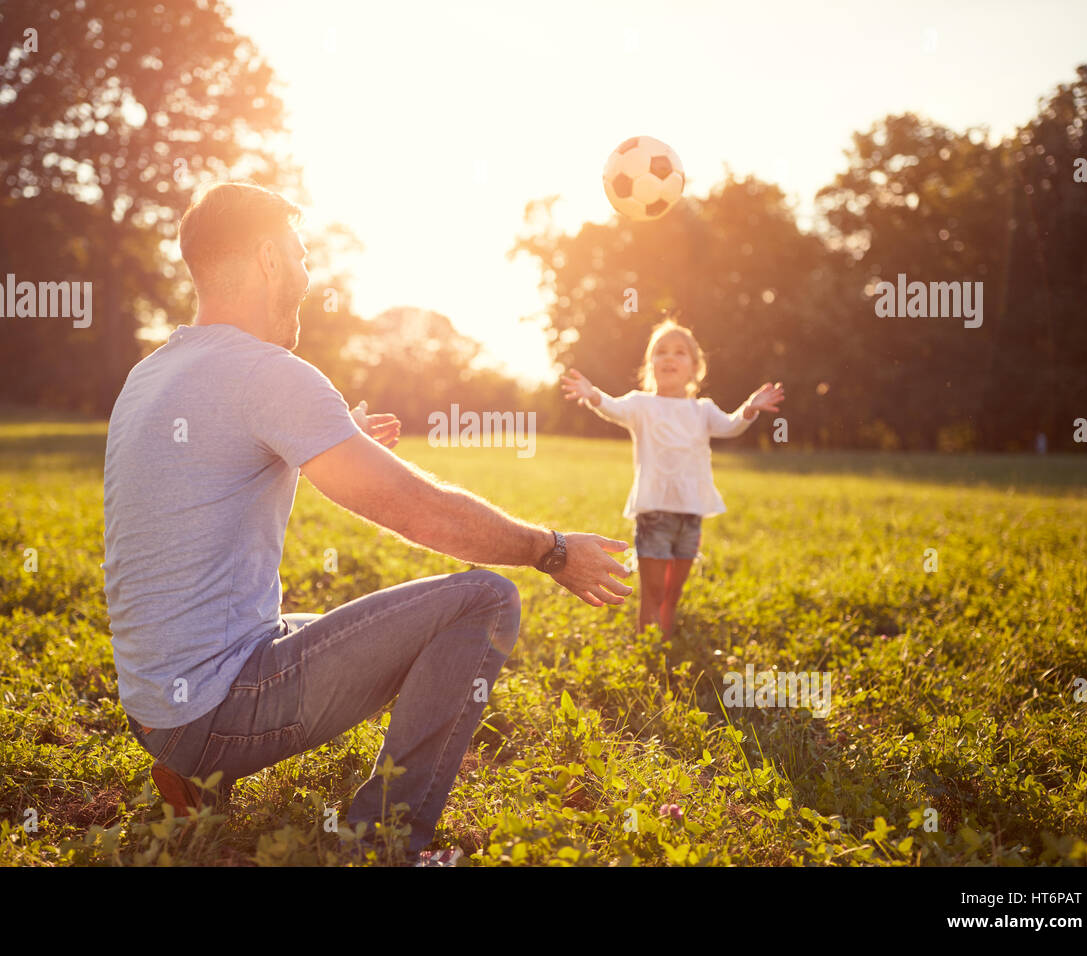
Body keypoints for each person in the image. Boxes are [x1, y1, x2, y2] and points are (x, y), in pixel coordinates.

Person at [101, 181, 632, 862]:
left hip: (153, 708)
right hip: (214, 707)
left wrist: (333, 438)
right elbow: (419, 510)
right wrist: (550, 549)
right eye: (300, 255)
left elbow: (212, 467)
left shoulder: (151, 374)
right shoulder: (269, 373)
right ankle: (382, 844)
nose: (306, 272)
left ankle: (187, 771)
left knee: (320, 625)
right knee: (486, 602)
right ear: (267, 259)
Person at [561, 317, 783, 639]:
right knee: (652, 587)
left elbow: (731, 425)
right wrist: (592, 393)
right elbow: (611, 407)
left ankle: (666, 636)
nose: (669, 357)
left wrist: (750, 408)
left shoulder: (703, 410)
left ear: (695, 367)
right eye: (661, 351)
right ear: (651, 364)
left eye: (679, 352)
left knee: (673, 590)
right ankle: (648, 644)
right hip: (654, 512)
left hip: (691, 514)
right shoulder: (641, 405)